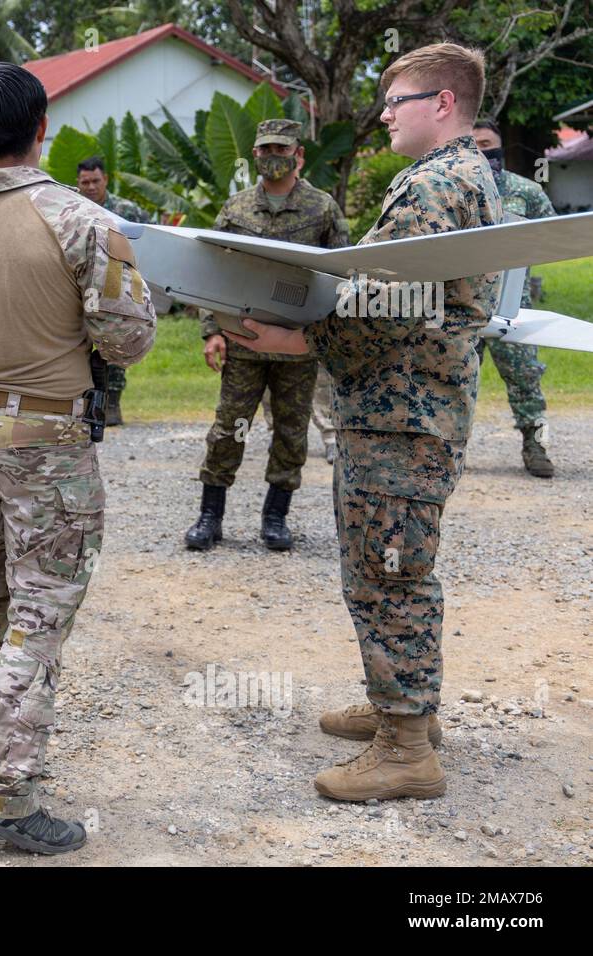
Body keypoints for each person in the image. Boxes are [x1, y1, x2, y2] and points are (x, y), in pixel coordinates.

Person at [226, 43, 501, 801]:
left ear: (442, 104)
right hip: (409, 413)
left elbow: (383, 302)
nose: (384, 114)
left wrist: (295, 336)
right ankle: (404, 709)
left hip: (399, 418)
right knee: (395, 568)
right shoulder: (456, 177)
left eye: (397, 101)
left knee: (387, 575)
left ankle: (407, 747)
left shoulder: (435, 186)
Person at [0, 63, 156, 853]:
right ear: (40, 126)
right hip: (46, 440)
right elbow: (129, 339)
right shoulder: (82, 221)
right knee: (39, 616)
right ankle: (6, 794)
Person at [185, 119, 350, 553]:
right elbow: (211, 272)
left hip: (297, 346)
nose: (271, 157)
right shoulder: (236, 209)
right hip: (243, 339)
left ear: (298, 154)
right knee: (229, 429)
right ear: (254, 154)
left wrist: (328, 337)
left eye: (280, 149)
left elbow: (341, 277)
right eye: (264, 150)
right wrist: (212, 331)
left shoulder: (323, 209)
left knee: (291, 433)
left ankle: (275, 518)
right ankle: (210, 516)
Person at [471, 119, 557, 477]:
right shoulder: (452, 191)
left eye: (487, 144)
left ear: (500, 147)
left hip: (512, 306)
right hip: (464, 305)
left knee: (526, 380)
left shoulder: (526, 191)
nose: (481, 152)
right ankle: (444, 450)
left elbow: (553, 236)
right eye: (473, 145)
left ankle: (536, 445)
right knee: (450, 379)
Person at [76, 156, 154, 427]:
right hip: (81, 290)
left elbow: (148, 240)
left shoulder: (126, 211)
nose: (90, 187)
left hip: (116, 290)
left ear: (105, 180)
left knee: (115, 343)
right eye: (85, 182)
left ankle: (112, 404)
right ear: (78, 182)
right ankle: (85, 405)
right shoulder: (71, 209)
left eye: (95, 181)